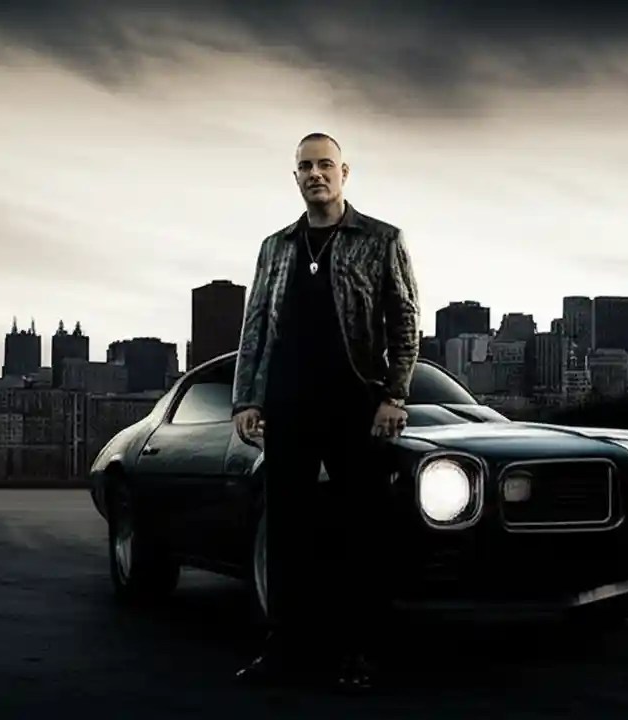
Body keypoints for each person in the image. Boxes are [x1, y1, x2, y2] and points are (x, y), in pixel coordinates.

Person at [230, 132, 420, 690]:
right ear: (296, 178)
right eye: (306, 167)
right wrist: (247, 398)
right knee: (286, 532)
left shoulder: (381, 240)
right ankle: (284, 649)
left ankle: (360, 653)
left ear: (345, 172)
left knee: (361, 530)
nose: (316, 174)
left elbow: (405, 321)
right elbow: (255, 325)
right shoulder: (276, 247)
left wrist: (395, 395)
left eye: (326, 165)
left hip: (355, 402)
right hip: (288, 403)